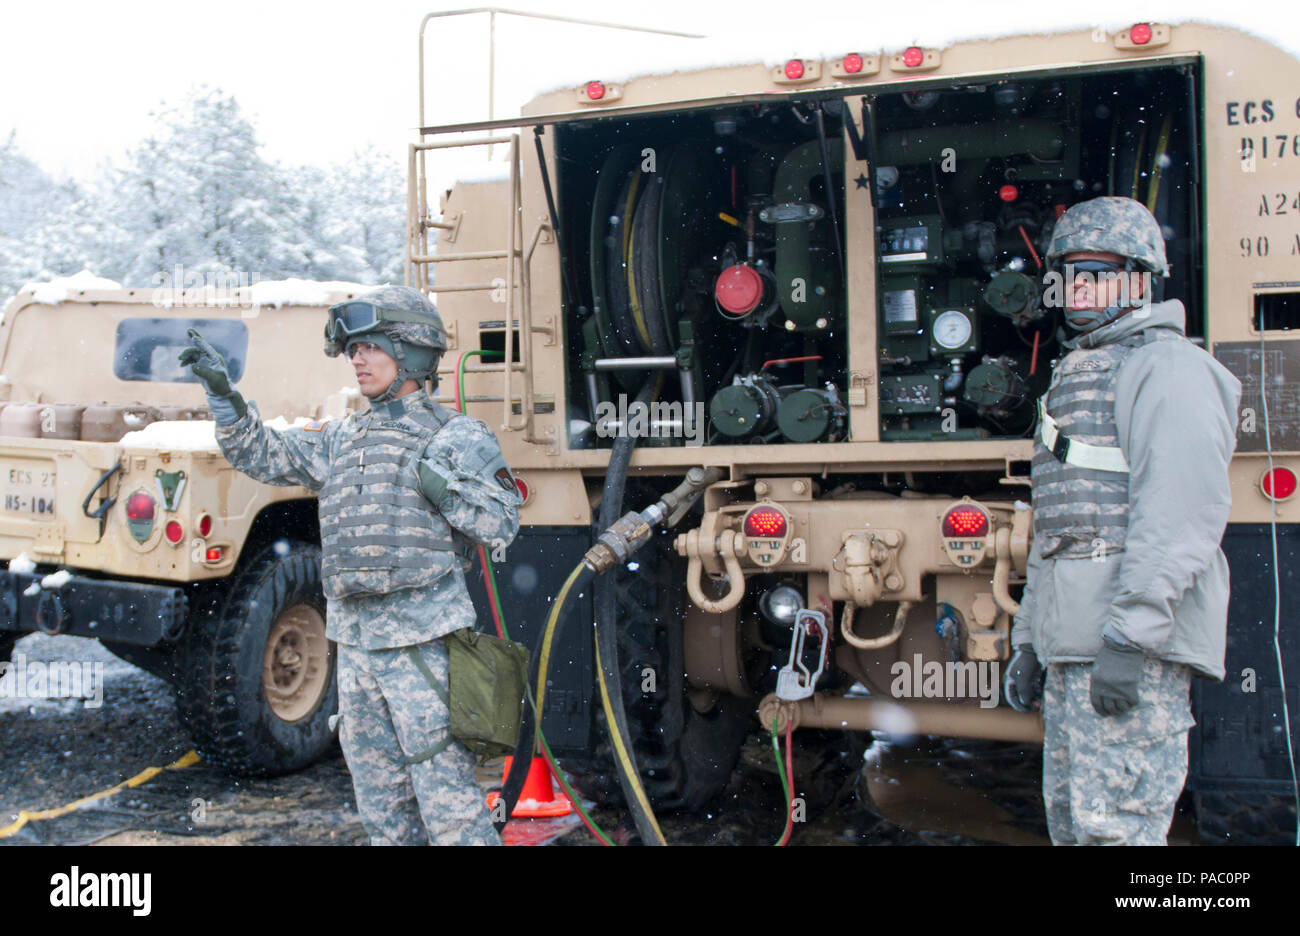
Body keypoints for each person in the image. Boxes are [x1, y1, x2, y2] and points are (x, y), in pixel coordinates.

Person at [180, 285, 521, 845]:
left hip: (423, 650)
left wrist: (446, 490)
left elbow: (501, 525)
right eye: (351, 350)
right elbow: (263, 453)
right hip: (356, 648)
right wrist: (224, 395)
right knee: (382, 814)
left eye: (369, 347)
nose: (355, 359)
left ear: (410, 352)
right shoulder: (342, 438)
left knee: (453, 814)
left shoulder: (454, 436)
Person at [1003, 196, 1242, 845]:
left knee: (1119, 837)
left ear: (1141, 277)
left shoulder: (1169, 371)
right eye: (1070, 273)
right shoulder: (1083, 373)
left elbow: (1178, 522)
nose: (1080, 289)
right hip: (1077, 652)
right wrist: (1030, 640)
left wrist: (1130, 639)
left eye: (1099, 272)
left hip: (1129, 655)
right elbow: (1062, 530)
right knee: (1079, 830)